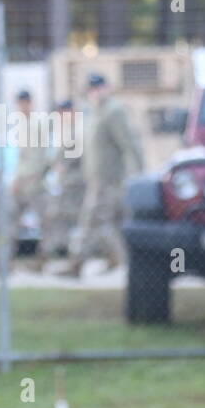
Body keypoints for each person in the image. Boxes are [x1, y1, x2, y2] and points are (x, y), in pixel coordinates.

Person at [62, 73, 143, 276]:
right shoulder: (93, 113)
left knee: (90, 221)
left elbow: (129, 143)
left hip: (108, 180)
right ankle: (119, 260)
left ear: (106, 88)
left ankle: (76, 265)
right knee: (108, 224)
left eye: (98, 88)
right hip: (95, 180)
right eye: (91, 89)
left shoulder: (113, 112)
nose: (94, 93)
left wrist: (138, 174)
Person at [40, 99, 85, 265]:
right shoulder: (63, 131)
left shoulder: (80, 130)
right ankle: (47, 255)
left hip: (76, 184)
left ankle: (48, 256)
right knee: (58, 217)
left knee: (83, 220)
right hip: (65, 184)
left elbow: (79, 157)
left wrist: (64, 165)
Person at [10, 90, 51, 271]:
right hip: (23, 179)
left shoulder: (39, 124)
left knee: (44, 220)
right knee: (11, 218)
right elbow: (22, 156)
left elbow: (40, 154)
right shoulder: (21, 125)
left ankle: (42, 259)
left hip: (35, 180)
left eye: (25, 103)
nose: (22, 107)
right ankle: (7, 259)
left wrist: (36, 175)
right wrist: (17, 178)